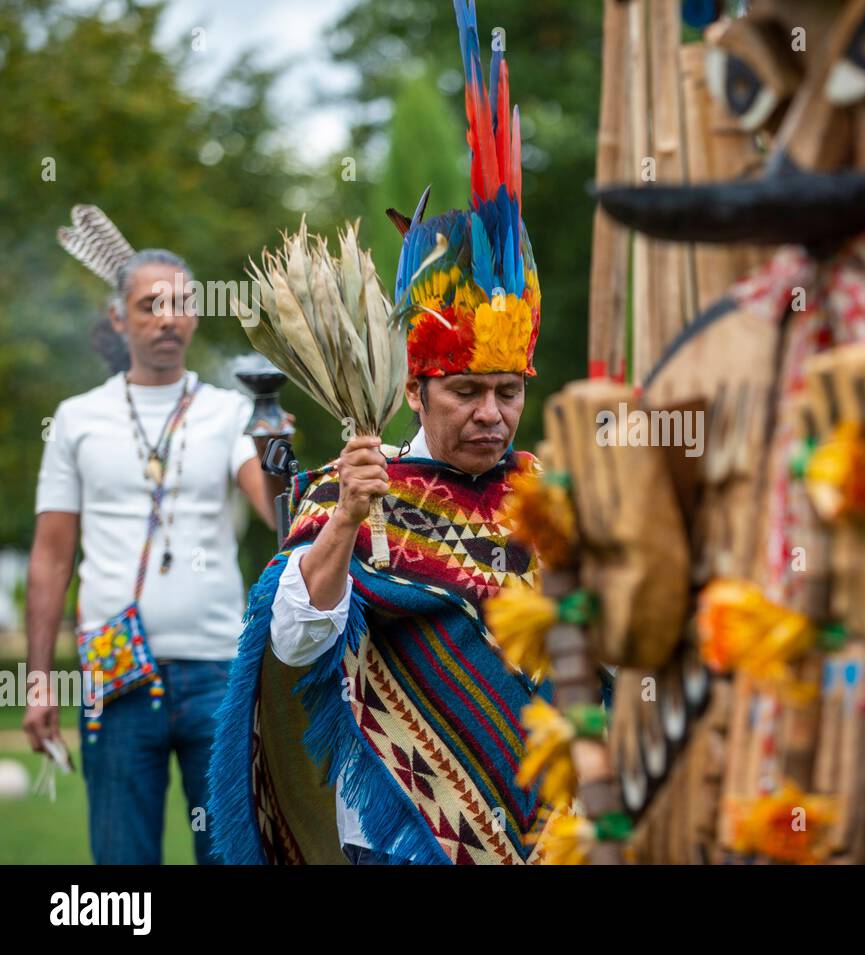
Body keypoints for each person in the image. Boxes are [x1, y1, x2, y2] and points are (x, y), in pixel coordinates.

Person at [207, 0, 552, 864]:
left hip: (554, 833)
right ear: (415, 389)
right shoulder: (357, 489)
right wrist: (348, 523)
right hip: (397, 836)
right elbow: (294, 640)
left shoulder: (551, 499)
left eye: (507, 391)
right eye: (467, 389)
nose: (491, 413)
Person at [22, 246, 283, 864]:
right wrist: (38, 679)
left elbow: (279, 518)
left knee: (230, 855)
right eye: (150, 306)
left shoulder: (232, 413)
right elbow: (51, 558)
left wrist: (276, 451)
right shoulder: (77, 419)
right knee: (121, 872)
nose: (168, 318)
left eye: (182, 304)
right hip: (114, 677)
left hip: (218, 670)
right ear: (118, 318)